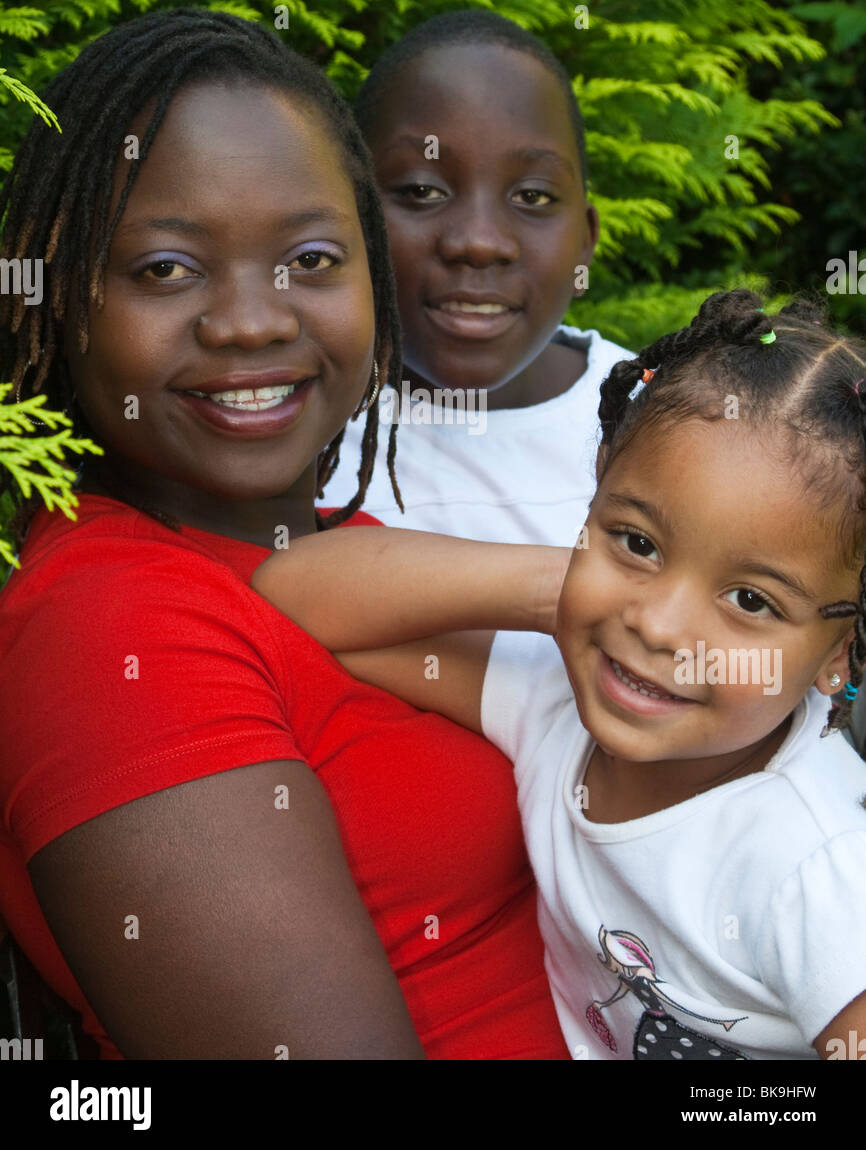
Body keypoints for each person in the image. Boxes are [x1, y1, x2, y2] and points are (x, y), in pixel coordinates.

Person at [0, 8, 570, 1060]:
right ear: (56, 300)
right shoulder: (107, 623)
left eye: (310, 258)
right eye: (165, 270)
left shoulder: (350, 549)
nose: (252, 321)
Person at [254, 289, 866, 1061]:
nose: (659, 624)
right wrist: (578, 592)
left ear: (839, 653)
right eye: (637, 540)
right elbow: (299, 594)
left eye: (751, 600)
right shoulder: (559, 701)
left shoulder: (820, 867)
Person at [323, 10, 633, 544]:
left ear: (585, 240)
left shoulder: (656, 421)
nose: (479, 242)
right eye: (421, 191)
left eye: (532, 197)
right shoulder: (294, 424)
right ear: (350, 214)